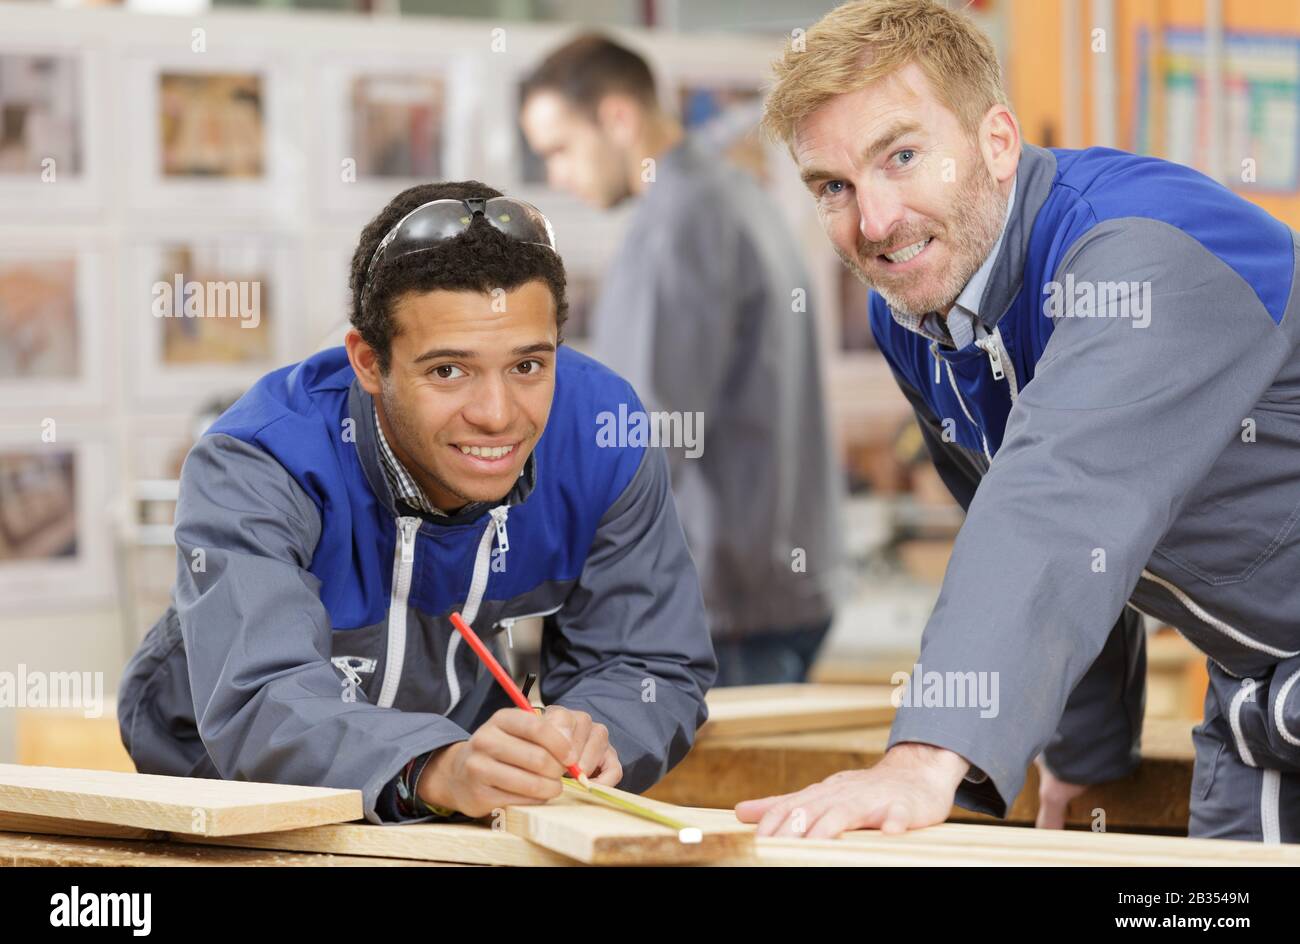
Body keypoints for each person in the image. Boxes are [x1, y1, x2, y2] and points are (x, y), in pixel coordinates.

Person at [738, 0, 1300, 842]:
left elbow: (1060, 501)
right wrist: (1086, 756)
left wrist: (930, 756)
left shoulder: (1139, 253)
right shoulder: (919, 312)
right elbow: (1045, 537)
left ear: (997, 142)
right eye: (835, 187)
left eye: (902, 155)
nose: (876, 221)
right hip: (1258, 687)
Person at [118, 180, 716, 823]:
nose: (497, 416)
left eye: (527, 366)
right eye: (447, 371)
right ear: (369, 363)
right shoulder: (257, 461)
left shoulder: (604, 434)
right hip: (230, 786)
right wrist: (435, 767)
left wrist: (595, 736)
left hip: (452, 783)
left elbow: (648, 660)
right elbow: (263, 697)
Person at [520, 34, 843, 685]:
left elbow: (644, 435)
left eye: (560, 149)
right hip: (773, 588)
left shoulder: (678, 224)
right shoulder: (733, 194)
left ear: (617, 117)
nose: (556, 175)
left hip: (725, 609)